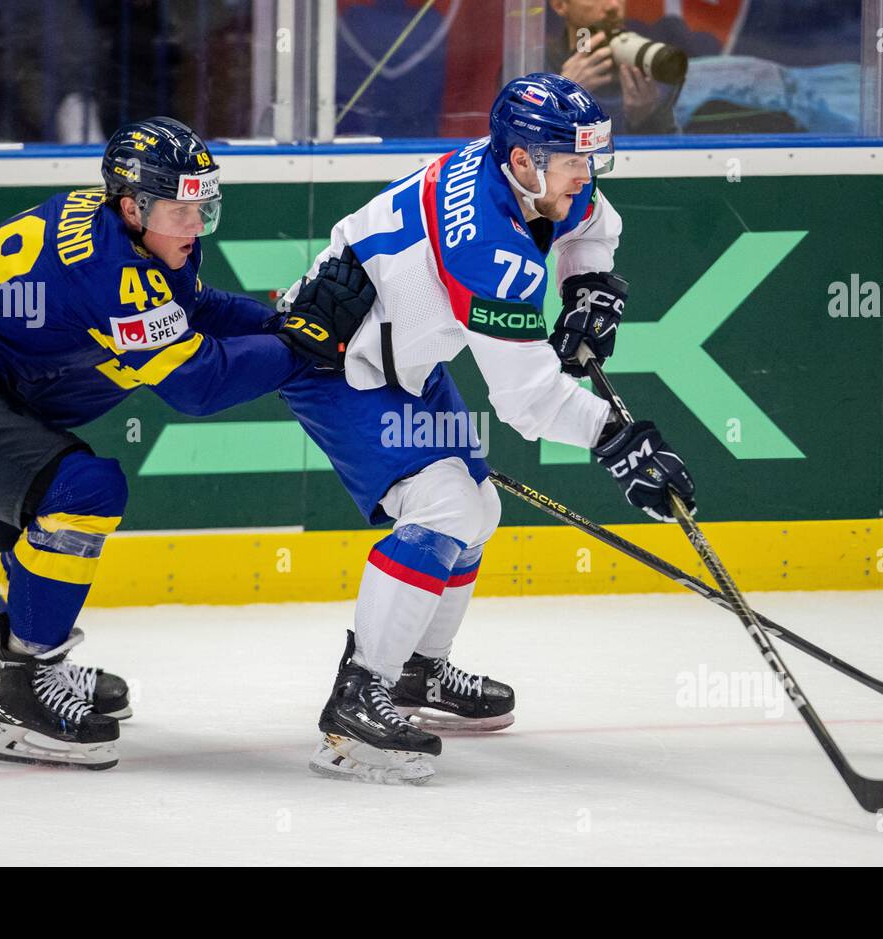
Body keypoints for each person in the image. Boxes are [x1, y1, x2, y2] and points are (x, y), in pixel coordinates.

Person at [0, 116, 362, 770]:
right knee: (84, 491)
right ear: (133, 206)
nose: (198, 224)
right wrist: (305, 344)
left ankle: (32, 671)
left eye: (206, 205)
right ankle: (22, 694)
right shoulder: (113, 267)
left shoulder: (139, 236)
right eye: (184, 210)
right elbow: (198, 387)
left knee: (39, 520)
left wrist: (281, 324)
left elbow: (197, 312)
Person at [277, 73, 696, 784]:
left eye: (590, 158)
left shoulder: (530, 168)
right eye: (573, 162)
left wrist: (587, 282)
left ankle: (416, 673)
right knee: (443, 507)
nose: (585, 175)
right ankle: (356, 700)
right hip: (339, 366)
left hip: (407, 359)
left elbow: (590, 222)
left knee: (478, 512)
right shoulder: (486, 246)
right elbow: (526, 401)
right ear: (525, 161)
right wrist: (619, 441)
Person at [547, 0, 720, 134]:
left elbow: (670, 163)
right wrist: (562, 99)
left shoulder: (650, 64)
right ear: (560, 5)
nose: (613, 6)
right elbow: (529, 151)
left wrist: (645, 119)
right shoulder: (537, 66)